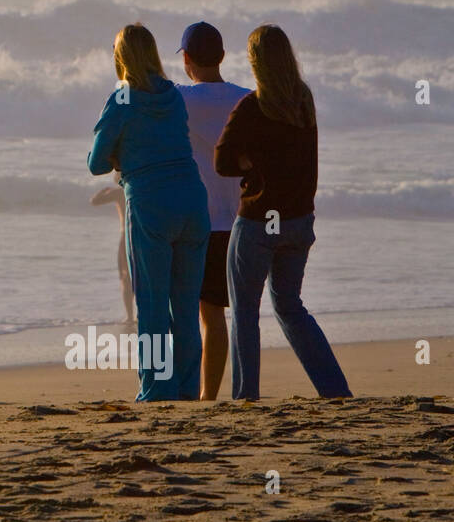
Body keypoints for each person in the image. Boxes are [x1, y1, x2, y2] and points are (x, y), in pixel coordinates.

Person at [214, 25, 352, 400]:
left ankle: (246, 396)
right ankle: (334, 390)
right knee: (290, 306)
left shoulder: (253, 106)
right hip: (298, 220)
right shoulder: (303, 100)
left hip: (260, 221)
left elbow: (222, 160)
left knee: (245, 310)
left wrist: (251, 166)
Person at [88, 23, 210, 401]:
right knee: (187, 305)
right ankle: (189, 389)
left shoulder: (123, 97)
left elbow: (95, 163)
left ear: (121, 57)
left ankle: (157, 389)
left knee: (153, 305)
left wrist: (118, 155)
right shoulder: (173, 94)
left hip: (151, 207)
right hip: (192, 201)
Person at [175, 22, 250, 400]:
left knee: (209, 315)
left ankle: (208, 396)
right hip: (245, 219)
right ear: (222, 56)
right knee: (239, 312)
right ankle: (239, 389)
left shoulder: (182, 99)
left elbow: (145, 87)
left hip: (203, 221)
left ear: (186, 59)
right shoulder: (248, 97)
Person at [90, 176, 134, 323]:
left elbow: (94, 201)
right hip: (142, 234)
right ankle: (139, 313)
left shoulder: (118, 192)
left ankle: (129, 315)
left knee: (125, 277)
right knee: (140, 276)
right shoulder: (140, 188)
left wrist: (103, 191)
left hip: (126, 236)